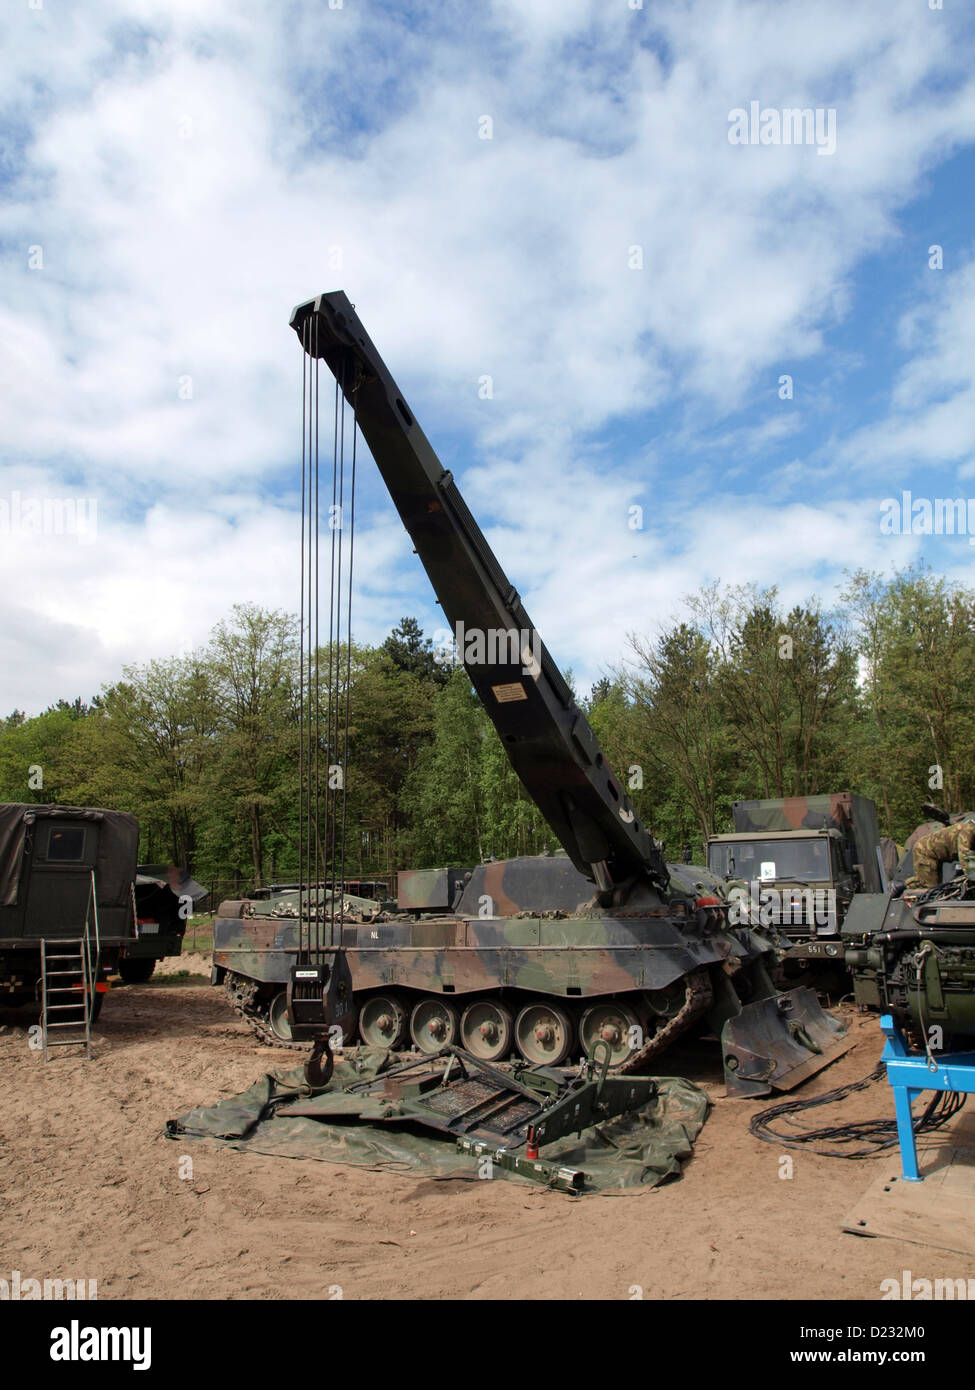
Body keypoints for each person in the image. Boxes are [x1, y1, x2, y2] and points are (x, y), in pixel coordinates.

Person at [904, 820, 975, 890]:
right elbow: (965, 858)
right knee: (931, 888)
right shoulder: (968, 831)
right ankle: (902, 886)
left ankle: (912, 882)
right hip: (924, 851)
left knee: (938, 886)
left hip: (939, 855)